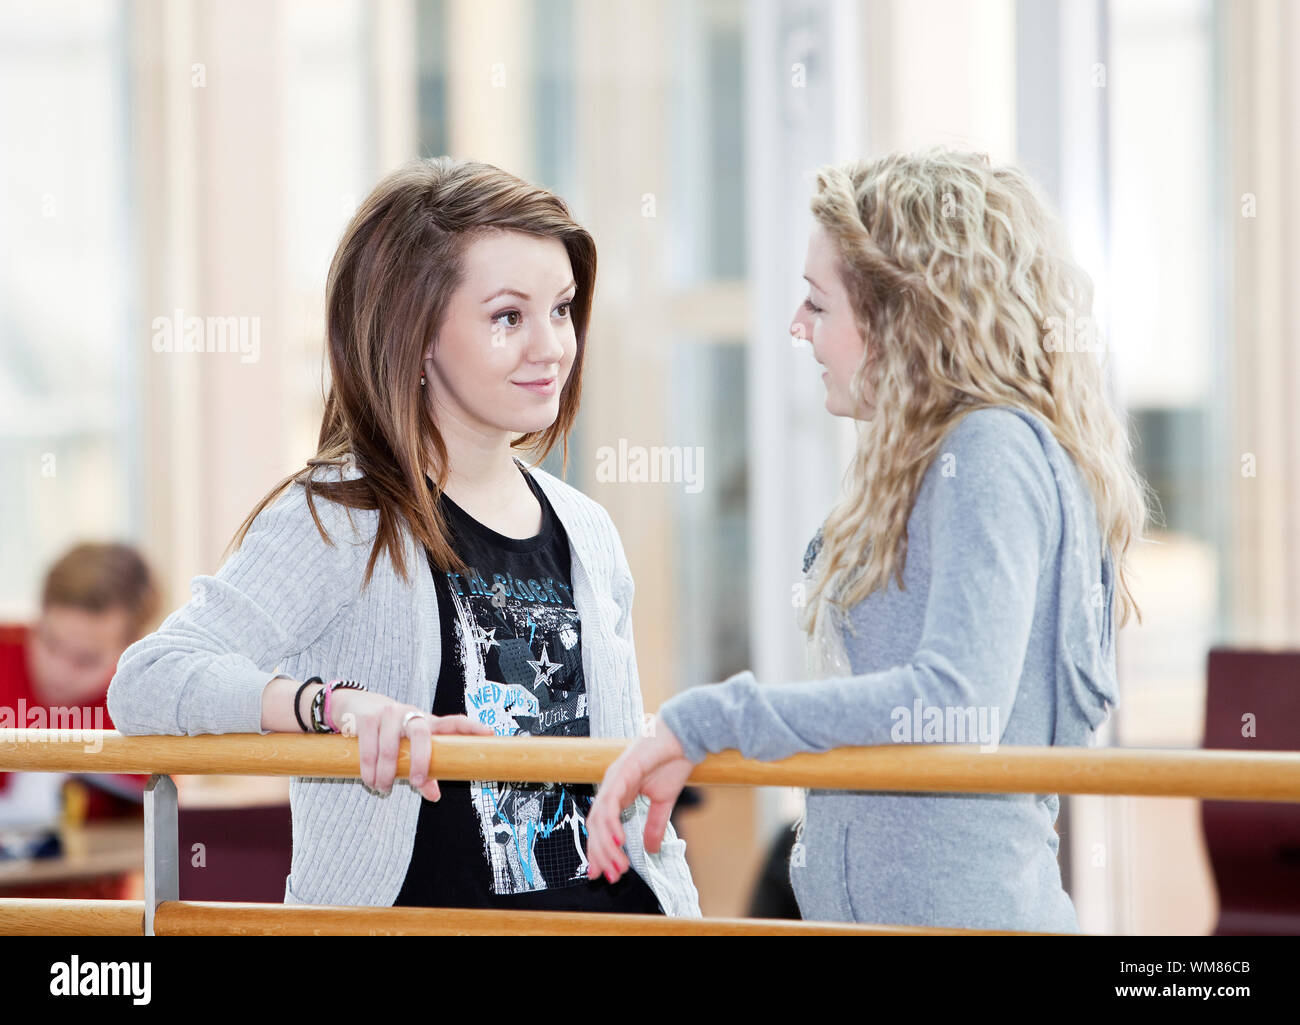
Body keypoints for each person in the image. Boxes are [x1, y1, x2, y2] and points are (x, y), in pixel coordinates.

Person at [107, 157, 700, 917]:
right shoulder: (339, 517)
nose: (552, 345)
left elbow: (627, 783)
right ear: (416, 334)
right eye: (508, 317)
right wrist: (332, 706)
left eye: (562, 309)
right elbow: (147, 678)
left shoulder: (588, 530)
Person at [585, 147, 1150, 933]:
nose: (795, 326)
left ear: (900, 316)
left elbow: (958, 702)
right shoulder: (939, 456)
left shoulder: (989, 450)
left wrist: (719, 716)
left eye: (817, 304)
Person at [0, 542, 158, 896]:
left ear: (132, 648)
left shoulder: (142, 711)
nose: (59, 670)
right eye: (50, 643)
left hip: (87, 925)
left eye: (86, 660)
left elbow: (158, 836)